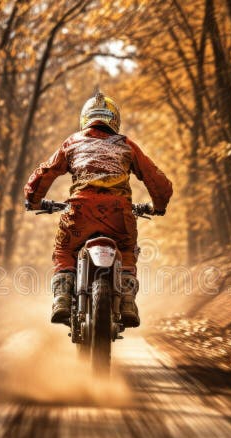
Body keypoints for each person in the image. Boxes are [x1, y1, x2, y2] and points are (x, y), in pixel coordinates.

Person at [24, 89, 173, 327]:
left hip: (79, 212)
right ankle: (127, 301)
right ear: (114, 119)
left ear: (86, 118)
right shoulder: (126, 145)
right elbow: (157, 181)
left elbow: (45, 173)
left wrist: (33, 200)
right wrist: (159, 206)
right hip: (118, 215)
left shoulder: (73, 142)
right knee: (126, 252)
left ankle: (62, 298)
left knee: (64, 251)